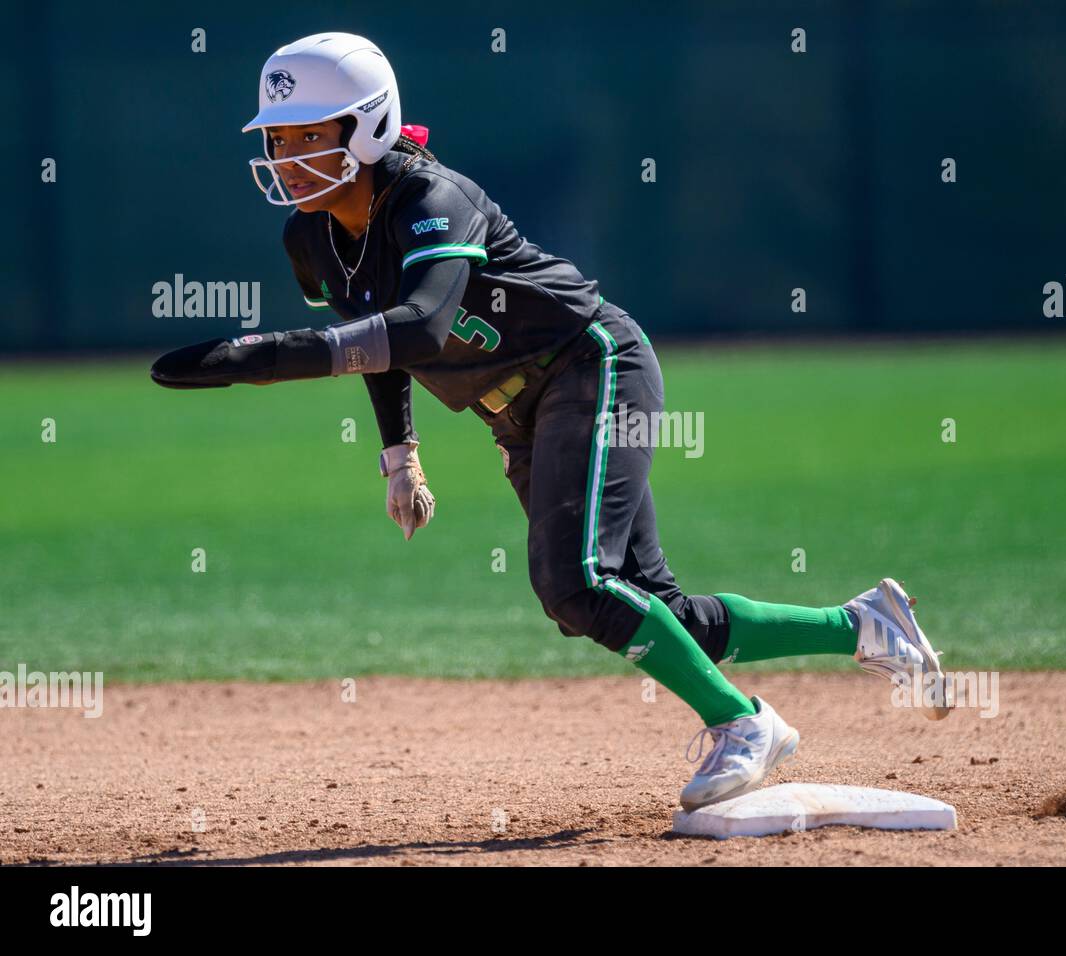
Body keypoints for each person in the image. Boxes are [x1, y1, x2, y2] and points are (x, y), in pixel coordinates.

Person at [151, 32, 951, 812]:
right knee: (649, 608)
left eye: (308, 136)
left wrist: (267, 357)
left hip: (591, 365)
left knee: (574, 585)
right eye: (278, 138)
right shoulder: (310, 236)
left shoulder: (434, 197)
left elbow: (423, 327)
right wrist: (400, 455)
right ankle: (864, 628)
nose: (288, 156)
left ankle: (742, 721)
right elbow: (378, 344)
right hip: (521, 413)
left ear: (370, 126)